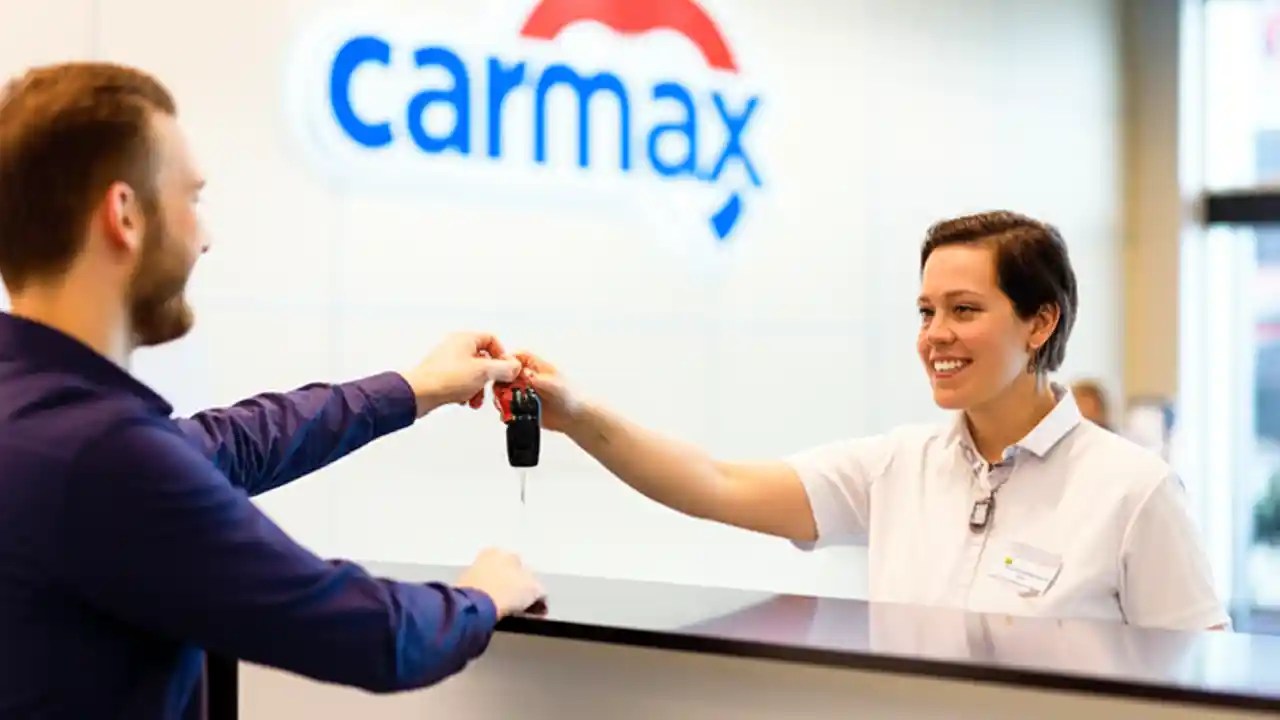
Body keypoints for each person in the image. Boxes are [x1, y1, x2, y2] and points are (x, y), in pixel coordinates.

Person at [0, 62, 545, 719]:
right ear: (125, 214)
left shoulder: (40, 415)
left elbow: (231, 443)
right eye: (192, 199)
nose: (205, 237)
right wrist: (482, 594)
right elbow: (375, 636)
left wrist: (417, 387)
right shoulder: (104, 457)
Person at [511, 210, 1230, 631]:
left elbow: (1207, 685)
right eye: (926, 311)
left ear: (1040, 321)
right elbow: (712, 483)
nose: (935, 335)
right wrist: (576, 414)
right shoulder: (895, 468)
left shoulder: (1133, 492)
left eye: (965, 310)